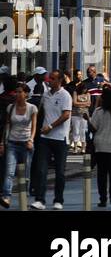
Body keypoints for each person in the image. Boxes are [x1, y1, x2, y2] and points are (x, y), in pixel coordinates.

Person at [30, 70, 72, 210]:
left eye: (53, 79)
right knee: (41, 170)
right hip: (45, 138)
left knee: (60, 171)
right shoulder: (46, 95)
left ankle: (58, 200)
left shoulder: (65, 95)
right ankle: (40, 200)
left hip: (60, 137)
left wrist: (51, 126)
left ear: (60, 80)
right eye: (49, 78)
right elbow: (40, 111)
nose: (49, 80)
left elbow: (66, 115)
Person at [2, 83, 35, 208]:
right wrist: (3, 142)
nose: (18, 94)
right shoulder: (10, 107)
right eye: (16, 92)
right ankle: (6, 197)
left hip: (26, 143)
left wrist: (31, 140)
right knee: (9, 172)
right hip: (12, 142)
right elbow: (7, 125)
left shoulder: (32, 108)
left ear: (26, 94)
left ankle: (25, 196)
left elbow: (34, 126)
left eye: (20, 92)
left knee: (26, 172)